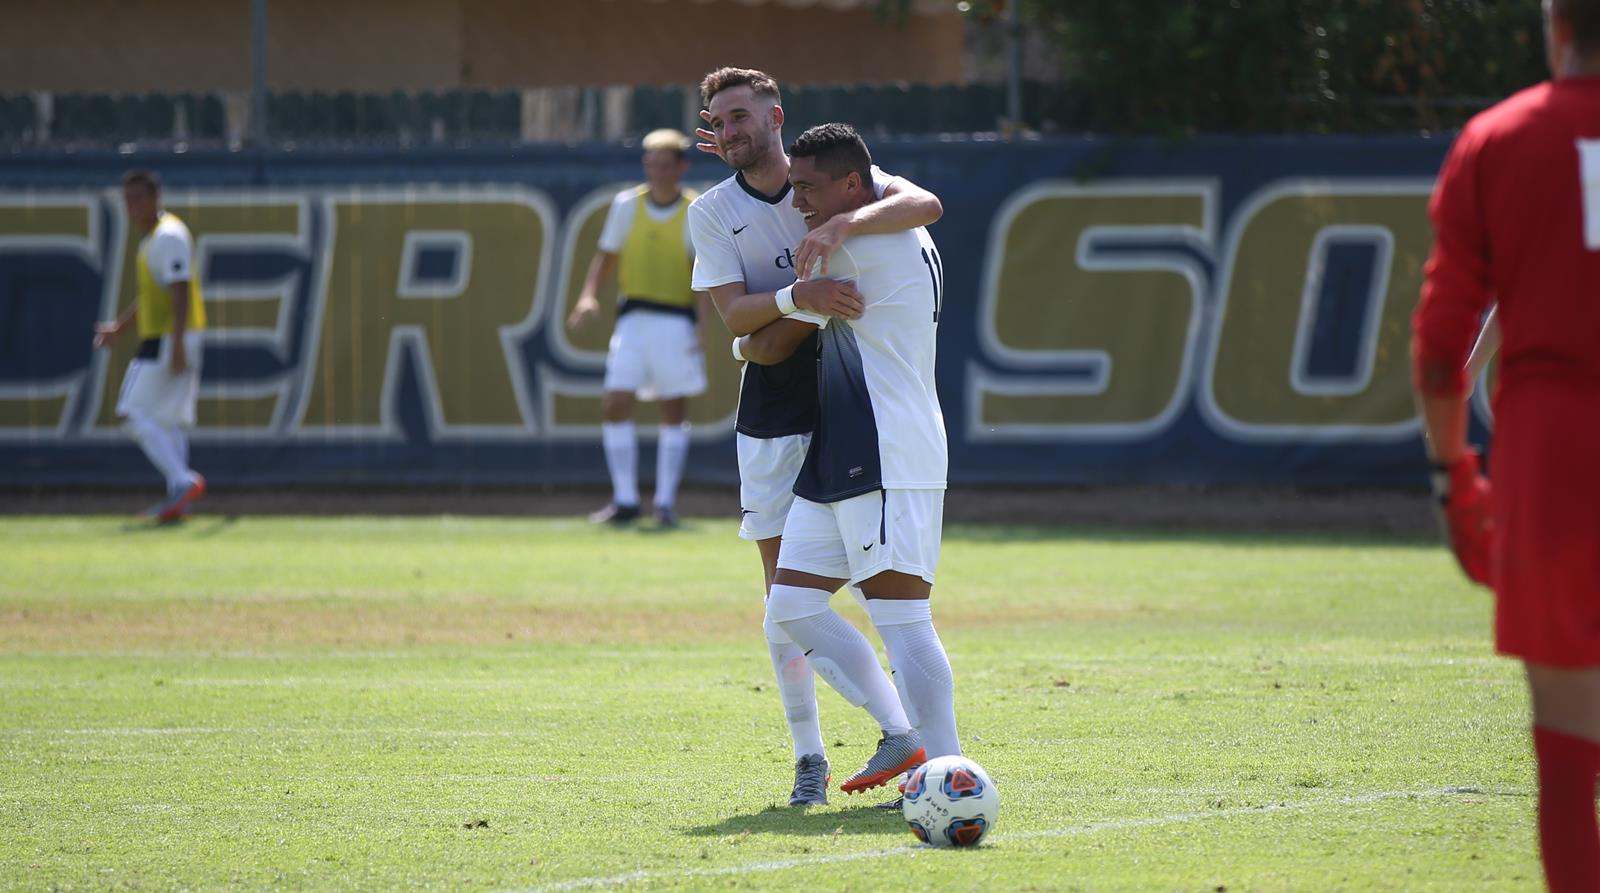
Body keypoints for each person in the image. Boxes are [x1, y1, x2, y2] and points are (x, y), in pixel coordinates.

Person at [687, 67, 943, 806]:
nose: (730, 131)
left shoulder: (828, 177)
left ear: (776, 116)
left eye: (741, 116)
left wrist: (840, 226)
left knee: (884, 593)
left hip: (855, 405)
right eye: (718, 120)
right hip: (775, 415)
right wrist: (799, 299)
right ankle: (810, 754)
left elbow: (923, 202)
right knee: (784, 600)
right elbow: (739, 322)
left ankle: (914, 739)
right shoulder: (712, 210)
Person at [1411, 1, 1600, 889]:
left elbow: (1441, 346)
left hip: (1554, 447)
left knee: (1567, 749)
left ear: (1556, 25)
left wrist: (1455, 474)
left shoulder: (1501, 138)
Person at [568, 129, 711, 528]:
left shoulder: (694, 209)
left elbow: (700, 272)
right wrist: (588, 296)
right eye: (651, 163)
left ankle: (665, 503)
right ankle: (626, 500)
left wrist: (703, 323)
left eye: (665, 164)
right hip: (631, 320)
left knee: (673, 408)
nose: (657, 171)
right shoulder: (626, 205)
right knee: (615, 402)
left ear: (681, 167)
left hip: (675, 321)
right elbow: (606, 257)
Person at [93, 169, 207, 522]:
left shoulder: (169, 235)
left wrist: (175, 344)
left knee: (131, 412)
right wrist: (120, 329)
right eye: (128, 199)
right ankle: (179, 501)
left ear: (158, 197)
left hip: (169, 336)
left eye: (139, 197)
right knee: (167, 420)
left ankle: (182, 481)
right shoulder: (152, 239)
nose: (133, 206)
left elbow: (181, 289)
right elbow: (150, 297)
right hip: (171, 334)